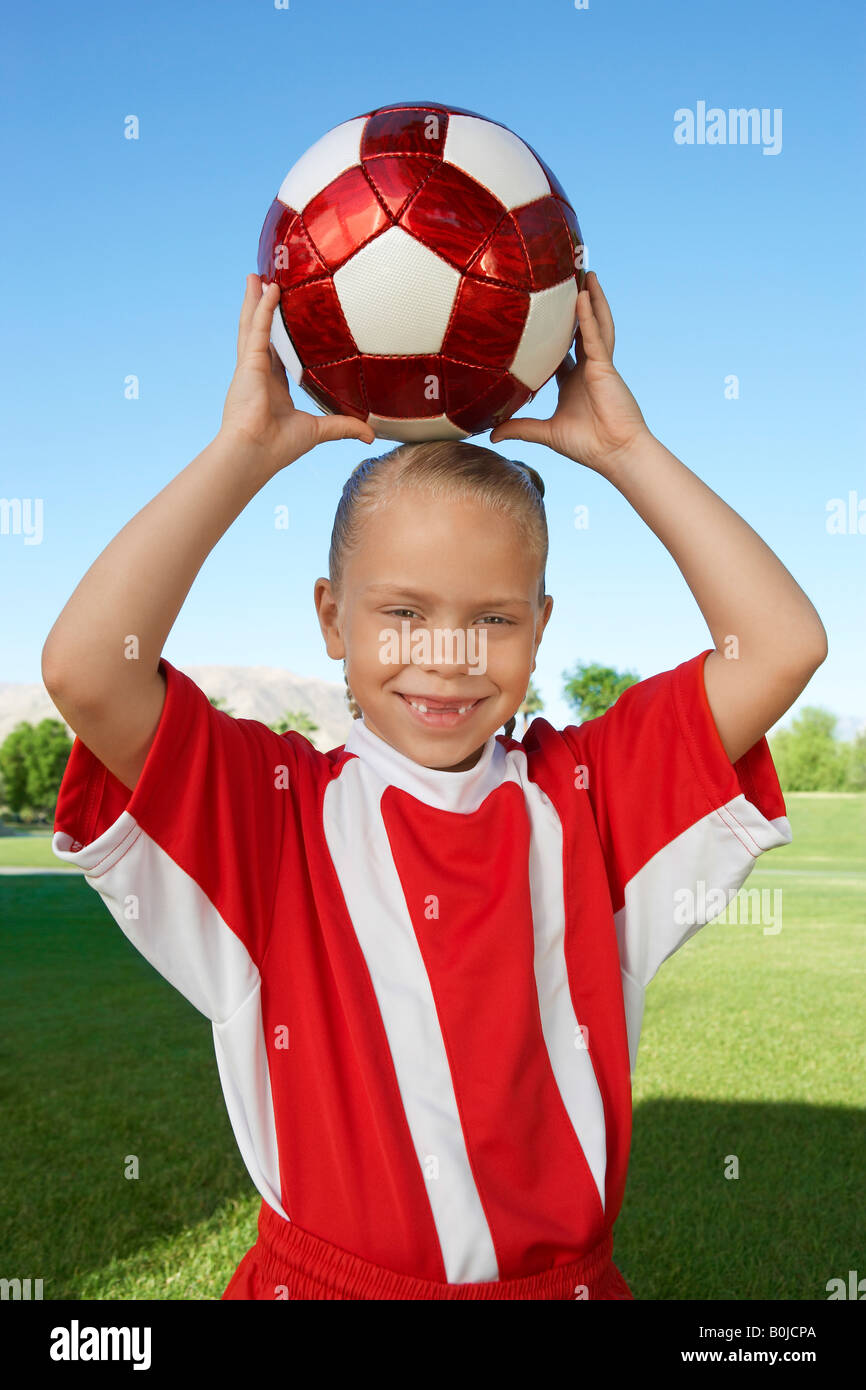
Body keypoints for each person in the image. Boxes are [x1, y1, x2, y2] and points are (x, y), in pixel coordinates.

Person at [43, 271, 827, 1300]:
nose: (448, 652)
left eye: (494, 618)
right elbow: (87, 670)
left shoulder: (585, 797)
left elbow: (780, 644)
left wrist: (627, 454)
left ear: (541, 627)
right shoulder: (273, 813)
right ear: (331, 618)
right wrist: (241, 454)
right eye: (401, 613)